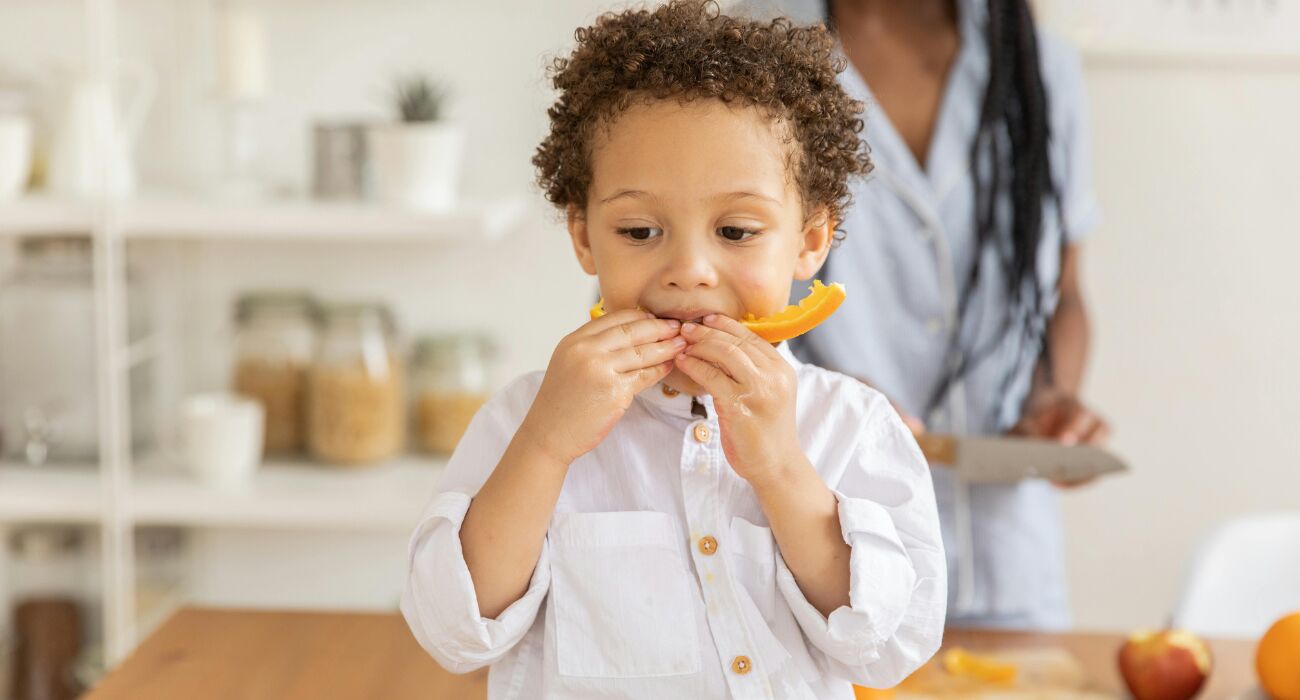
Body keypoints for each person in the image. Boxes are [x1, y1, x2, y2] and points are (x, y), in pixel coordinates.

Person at [400, 2, 946, 696]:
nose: (689, 269)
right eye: (638, 231)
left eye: (738, 231)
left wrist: (780, 467)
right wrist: (544, 447)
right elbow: (451, 631)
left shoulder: (853, 426)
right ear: (584, 238)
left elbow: (891, 646)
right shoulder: (525, 420)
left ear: (809, 241)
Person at [741, 0, 1109, 630]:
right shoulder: (748, 53)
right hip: (816, 559)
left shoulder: (1039, 68)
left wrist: (1052, 396)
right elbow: (687, 292)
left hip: (1006, 557)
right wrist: (825, 397)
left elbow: (1065, 294)